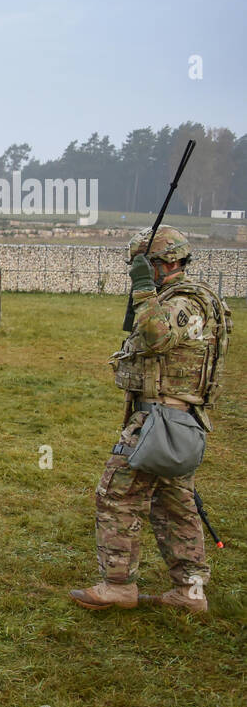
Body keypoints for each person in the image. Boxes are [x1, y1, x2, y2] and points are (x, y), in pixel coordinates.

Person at [71, 227, 231, 613]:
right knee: (175, 506)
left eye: (146, 266)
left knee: (116, 495)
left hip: (161, 422)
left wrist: (143, 289)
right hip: (171, 421)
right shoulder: (181, 299)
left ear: (169, 262)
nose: (140, 273)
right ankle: (189, 593)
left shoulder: (187, 302)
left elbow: (156, 336)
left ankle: (118, 585)